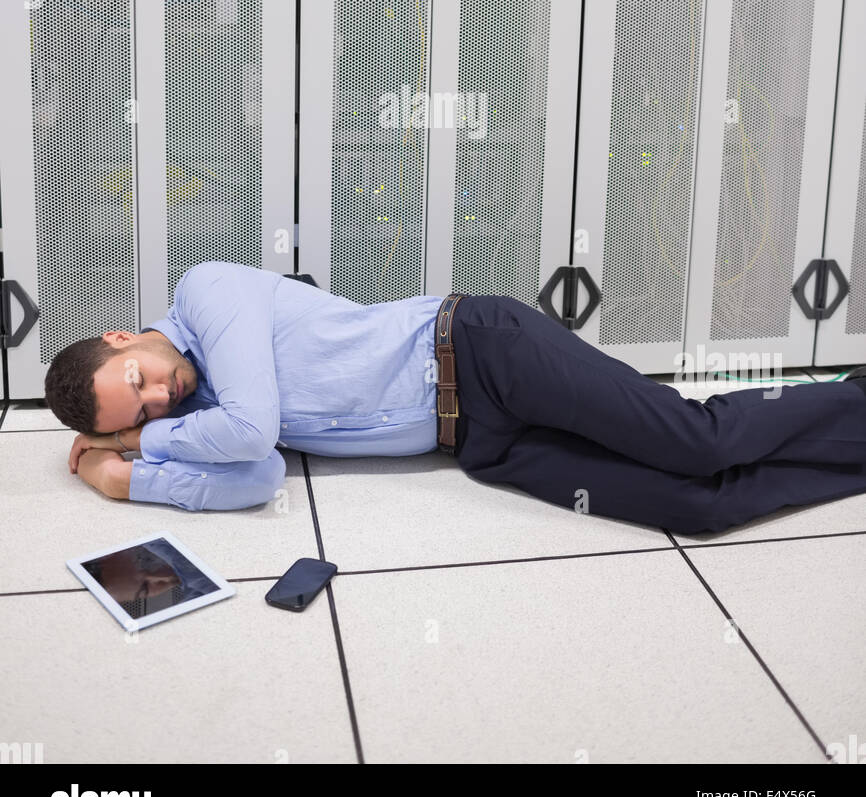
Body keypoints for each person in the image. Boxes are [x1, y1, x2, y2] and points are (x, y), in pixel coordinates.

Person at [43, 261, 866, 534]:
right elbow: (259, 481)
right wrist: (130, 480)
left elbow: (255, 432)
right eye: (143, 414)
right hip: (479, 444)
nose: (160, 397)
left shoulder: (205, 294)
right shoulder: (197, 419)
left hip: (482, 349)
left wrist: (139, 455)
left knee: (696, 443)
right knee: (698, 510)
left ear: (122, 336)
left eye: (139, 383)